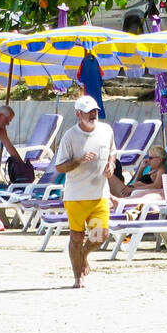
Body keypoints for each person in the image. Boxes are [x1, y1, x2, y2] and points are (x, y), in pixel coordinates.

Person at [53, 95, 117, 288]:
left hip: (99, 196)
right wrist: (78, 161)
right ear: (78, 114)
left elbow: (113, 152)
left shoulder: (106, 130)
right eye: (89, 112)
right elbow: (60, 167)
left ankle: (83, 254)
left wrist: (111, 165)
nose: (93, 115)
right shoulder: (70, 137)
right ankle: (77, 278)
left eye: (95, 111)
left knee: (100, 236)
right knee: (76, 237)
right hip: (76, 197)